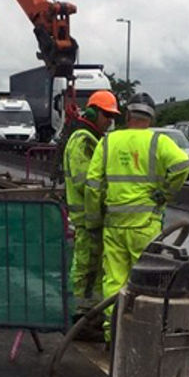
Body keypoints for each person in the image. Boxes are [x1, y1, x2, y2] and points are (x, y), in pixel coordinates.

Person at [85, 92, 189, 337]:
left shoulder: (109, 141)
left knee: (114, 280)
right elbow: (183, 165)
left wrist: (94, 220)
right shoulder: (159, 142)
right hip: (145, 226)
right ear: (151, 118)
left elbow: (92, 185)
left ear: (127, 115)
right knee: (146, 281)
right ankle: (143, 335)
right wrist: (164, 192)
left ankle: (114, 336)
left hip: (114, 224)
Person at [62, 90, 120, 311]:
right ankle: (78, 315)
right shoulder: (83, 140)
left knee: (95, 271)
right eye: (107, 116)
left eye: (112, 117)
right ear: (93, 113)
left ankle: (92, 313)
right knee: (85, 269)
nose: (110, 122)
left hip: (93, 218)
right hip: (86, 219)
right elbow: (85, 181)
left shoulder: (93, 139)